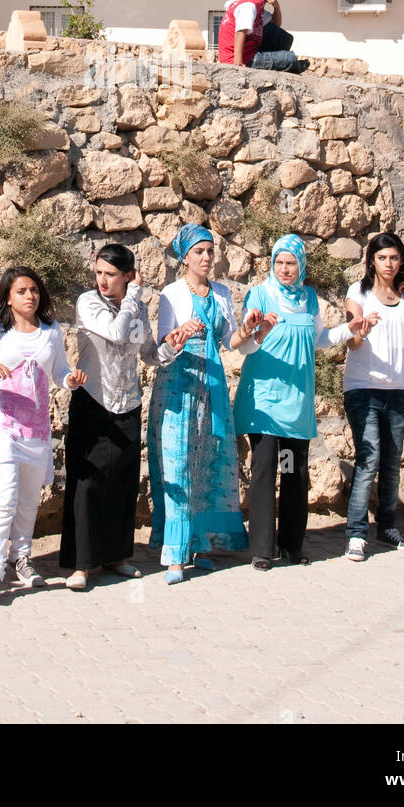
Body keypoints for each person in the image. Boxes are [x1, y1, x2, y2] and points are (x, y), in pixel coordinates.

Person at [234, 235, 371, 570]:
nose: (284, 269)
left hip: (297, 401)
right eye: (279, 262)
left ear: (301, 265)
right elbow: (244, 348)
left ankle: (292, 545)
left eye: (291, 262)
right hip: (265, 399)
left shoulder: (309, 298)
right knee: (265, 470)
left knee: (293, 471)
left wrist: (348, 330)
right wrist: (257, 330)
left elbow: (319, 339)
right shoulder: (259, 295)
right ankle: (262, 550)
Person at [59, 244, 178, 591]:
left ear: (127, 275)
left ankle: (116, 556)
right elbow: (115, 331)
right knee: (87, 483)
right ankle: (81, 564)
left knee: (122, 483)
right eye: (98, 273)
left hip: (127, 402)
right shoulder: (88, 302)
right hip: (93, 401)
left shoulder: (137, 307)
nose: (102, 280)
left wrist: (174, 344)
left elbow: (148, 354)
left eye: (110, 274)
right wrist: (134, 297)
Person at [0, 266, 86, 602]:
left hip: (36, 427)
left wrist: (70, 380)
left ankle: (21, 558)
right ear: (8, 296)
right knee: (5, 495)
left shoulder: (51, 331)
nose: (30, 296)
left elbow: (60, 370)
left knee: (30, 499)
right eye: (21, 290)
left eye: (34, 290)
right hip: (2, 426)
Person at [149, 223, 259, 583]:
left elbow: (231, 341)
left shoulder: (223, 293)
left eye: (211, 251)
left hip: (211, 385)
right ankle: (175, 555)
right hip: (179, 385)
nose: (207, 257)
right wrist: (180, 335)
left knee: (209, 460)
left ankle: (203, 543)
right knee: (179, 463)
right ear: (185, 257)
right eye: (199, 251)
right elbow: (163, 345)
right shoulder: (171, 294)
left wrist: (252, 328)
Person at [342, 232, 404, 561]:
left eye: (394, 258)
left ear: (401, 260)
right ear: (371, 261)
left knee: (392, 463)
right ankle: (356, 533)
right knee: (369, 459)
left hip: (395, 391)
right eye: (382, 258)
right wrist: (360, 330)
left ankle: (388, 526)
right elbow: (352, 342)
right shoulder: (358, 292)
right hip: (362, 388)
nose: (389, 264)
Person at [217, 0, 308, 74]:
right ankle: (285, 64)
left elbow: (276, 23)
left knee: (285, 37)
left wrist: (276, 6)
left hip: (250, 52)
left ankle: (276, 62)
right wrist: (238, 64)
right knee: (289, 58)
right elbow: (240, 32)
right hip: (239, 59)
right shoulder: (248, 6)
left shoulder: (251, 3)